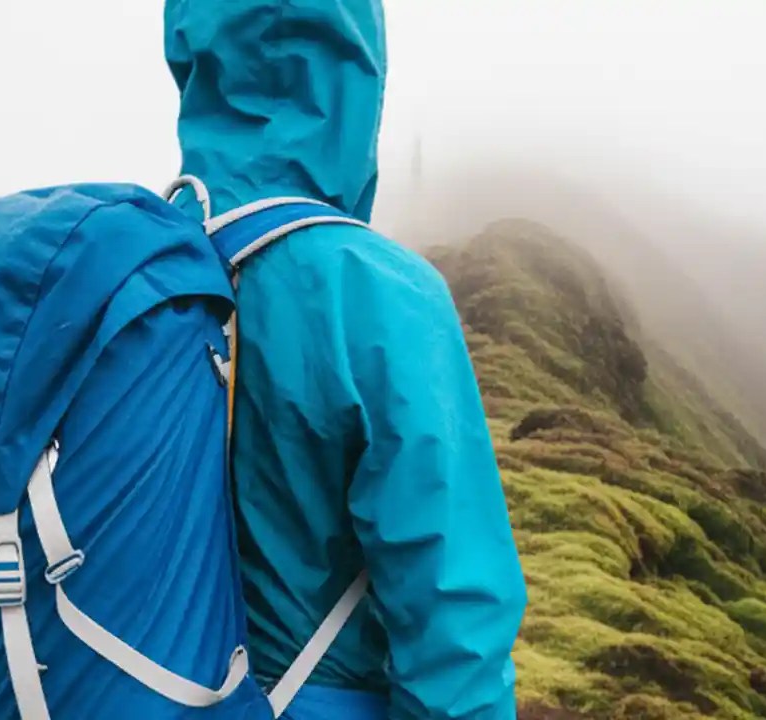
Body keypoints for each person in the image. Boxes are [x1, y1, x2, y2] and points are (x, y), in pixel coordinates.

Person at [165, 1, 528, 718]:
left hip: (136, 692)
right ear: (355, 74)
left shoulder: (136, 264)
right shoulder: (380, 292)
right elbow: (454, 621)